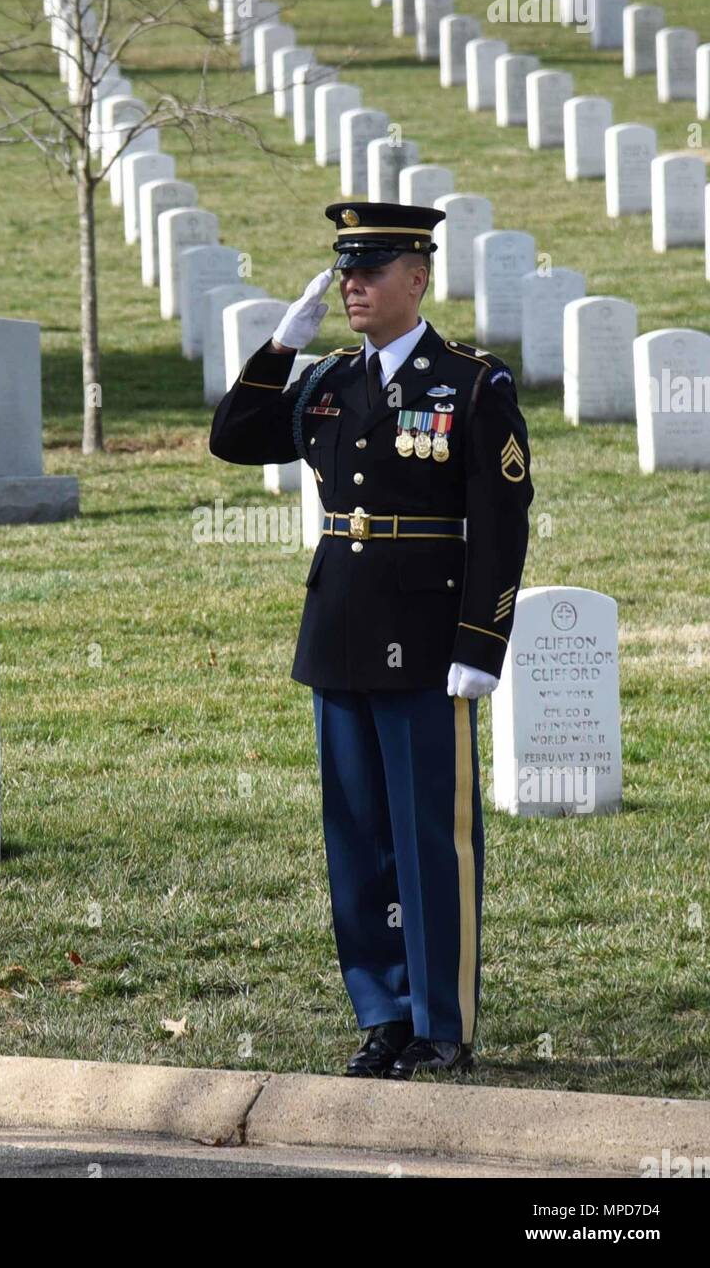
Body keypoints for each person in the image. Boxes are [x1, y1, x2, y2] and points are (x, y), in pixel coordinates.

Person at [209, 201, 534, 1079]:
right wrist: (279, 353)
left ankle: (441, 1026)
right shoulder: (325, 382)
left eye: (372, 270)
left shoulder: (471, 384)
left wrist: (481, 642)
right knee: (355, 835)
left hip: (430, 640)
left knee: (430, 835)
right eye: (345, 270)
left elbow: (501, 528)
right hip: (340, 632)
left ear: (417, 278)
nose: (352, 284)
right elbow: (233, 439)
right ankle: (383, 1012)